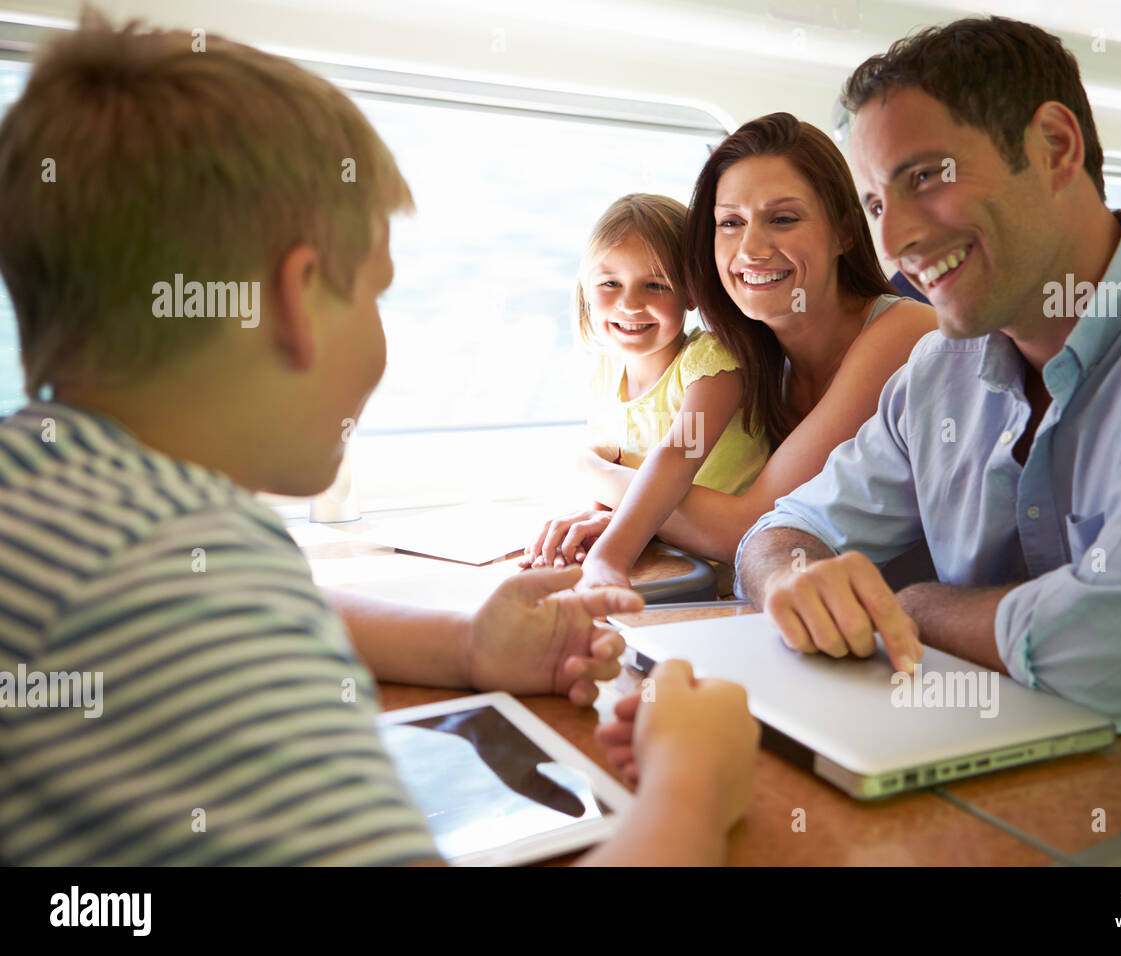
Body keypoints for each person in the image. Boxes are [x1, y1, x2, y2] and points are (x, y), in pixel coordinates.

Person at [0, 13, 757, 866]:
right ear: (297, 300)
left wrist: (467, 643)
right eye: (378, 295)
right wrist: (692, 787)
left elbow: (266, 596)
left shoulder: (69, 499)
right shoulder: (181, 579)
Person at [733, 16, 1121, 857]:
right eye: (877, 202)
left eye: (927, 177)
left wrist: (916, 608)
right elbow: (780, 531)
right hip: (989, 807)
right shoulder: (935, 373)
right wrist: (793, 577)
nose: (894, 240)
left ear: (1055, 145)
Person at [524, 113, 936, 573]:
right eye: (731, 222)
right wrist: (624, 516)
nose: (752, 249)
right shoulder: (749, 356)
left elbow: (743, 526)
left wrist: (596, 473)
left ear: (843, 232)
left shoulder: (905, 332)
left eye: (782, 218)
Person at [521, 194, 769, 590]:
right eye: (610, 283)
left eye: (655, 284)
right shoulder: (604, 371)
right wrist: (596, 517)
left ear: (691, 292)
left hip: (725, 577)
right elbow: (615, 465)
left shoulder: (710, 365)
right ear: (586, 288)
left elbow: (678, 455)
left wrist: (608, 558)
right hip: (659, 551)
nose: (630, 304)